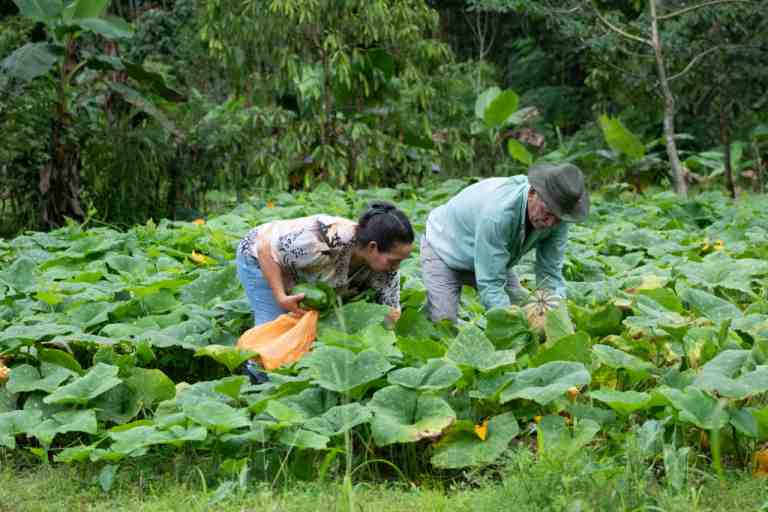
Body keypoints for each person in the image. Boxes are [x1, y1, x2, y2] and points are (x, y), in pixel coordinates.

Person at [420, 163, 590, 322]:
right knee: (445, 323)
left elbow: (550, 274)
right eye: (548, 212)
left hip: (491, 259)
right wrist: (511, 324)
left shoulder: (558, 220)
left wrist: (557, 315)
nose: (550, 223)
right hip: (445, 249)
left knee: (527, 310)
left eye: (558, 218)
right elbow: (491, 284)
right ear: (532, 193)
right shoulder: (498, 215)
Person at [236, 201, 415, 327]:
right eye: (394, 261)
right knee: (274, 326)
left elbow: (391, 313)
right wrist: (281, 296)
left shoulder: (386, 268)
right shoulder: (324, 238)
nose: (397, 267)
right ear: (372, 247)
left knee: (309, 329)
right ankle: (256, 373)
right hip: (260, 255)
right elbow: (265, 249)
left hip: (302, 270)